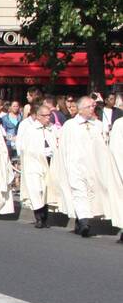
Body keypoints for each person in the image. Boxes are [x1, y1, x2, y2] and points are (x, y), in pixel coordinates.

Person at [50, 95, 123, 237]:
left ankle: (82, 219)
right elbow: (63, 148)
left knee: (91, 194)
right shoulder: (70, 126)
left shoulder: (98, 125)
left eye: (93, 107)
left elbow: (104, 146)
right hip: (75, 166)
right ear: (80, 109)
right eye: (89, 107)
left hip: (93, 167)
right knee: (79, 192)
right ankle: (84, 222)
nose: (92, 109)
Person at [17, 102, 58, 228]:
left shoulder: (52, 128)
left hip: (49, 163)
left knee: (46, 190)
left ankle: (45, 217)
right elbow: (25, 147)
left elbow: (56, 142)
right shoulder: (31, 130)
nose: (48, 118)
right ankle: (38, 216)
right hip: (34, 165)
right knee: (37, 190)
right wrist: (40, 152)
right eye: (45, 116)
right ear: (38, 116)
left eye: (49, 115)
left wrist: (53, 149)